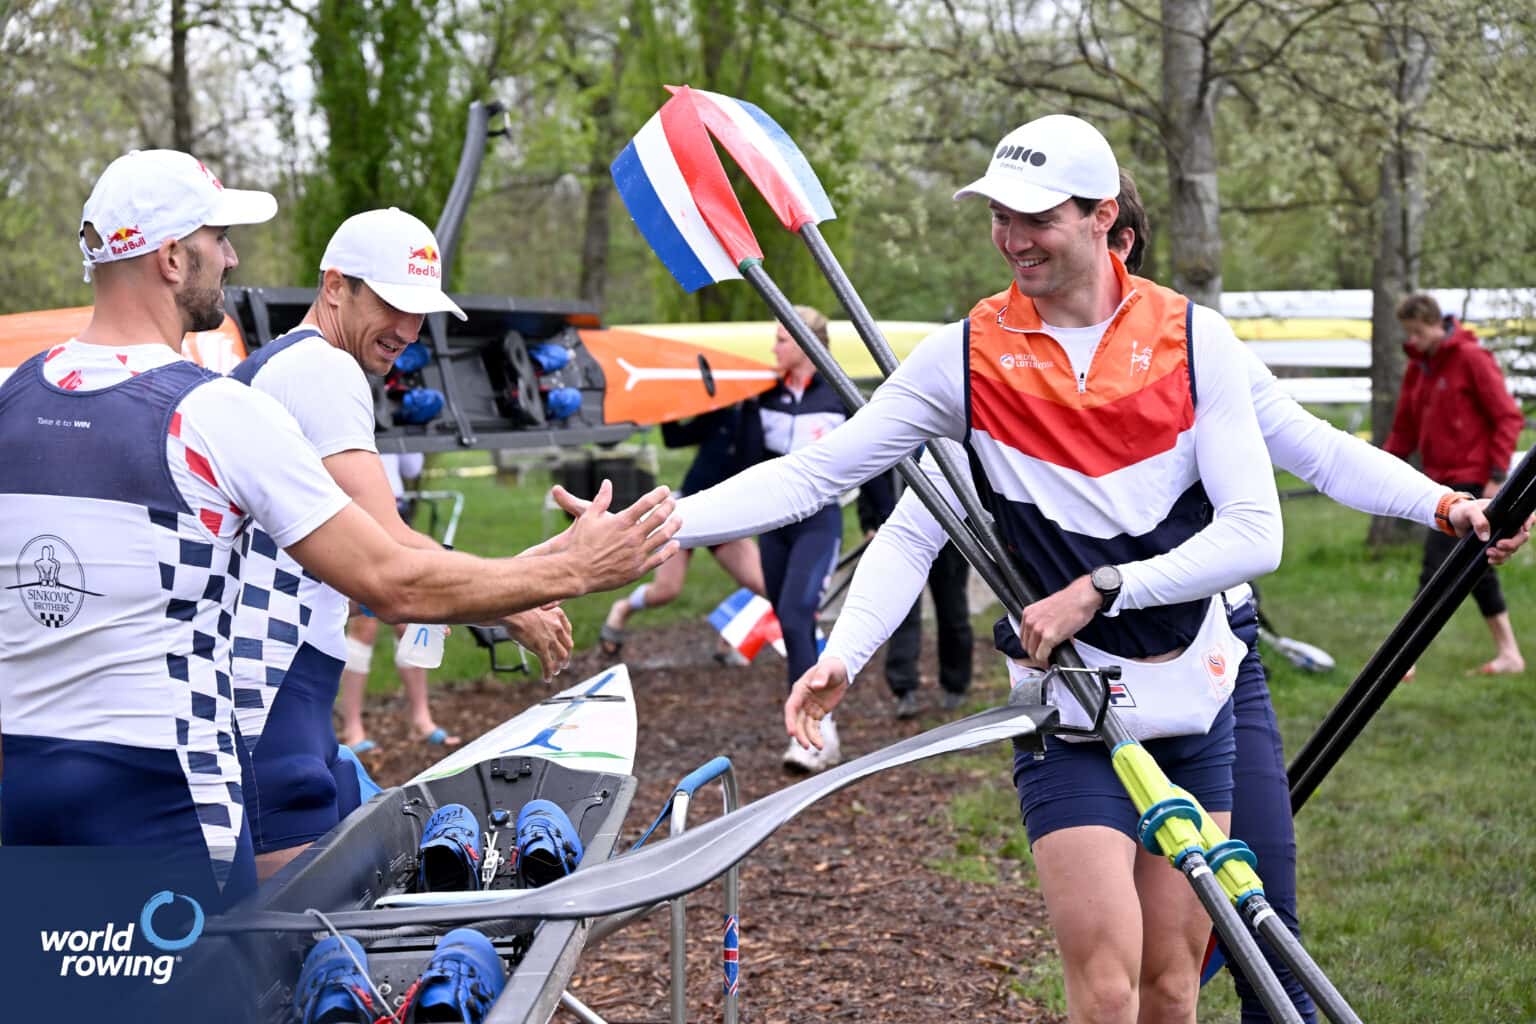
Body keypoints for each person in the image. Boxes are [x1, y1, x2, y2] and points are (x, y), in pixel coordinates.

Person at [561, 113, 1287, 1021]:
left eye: (1036, 218)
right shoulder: (966, 357)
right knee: (1107, 986)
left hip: (1193, 691)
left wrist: (1443, 505)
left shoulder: (1187, 339)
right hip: (1072, 710)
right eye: (998, 217)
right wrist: (660, 525)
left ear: (1105, 218)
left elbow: (1266, 518)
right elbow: (828, 477)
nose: (1012, 239)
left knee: (1171, 985)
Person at [810, 169, 1528, 1024]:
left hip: (1211, 665)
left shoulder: (1187, 353)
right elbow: (912, 530)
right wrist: (842, 655)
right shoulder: (1002, 376)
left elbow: (1318, 450)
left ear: (1121, 245)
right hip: (1083, 690)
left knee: (1258, 916)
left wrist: (1446, 505)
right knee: (1135, 964)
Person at [0, 149, 679, 908]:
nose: (232, 257)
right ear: (168, 257)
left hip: (28, 785)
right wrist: (568, 573)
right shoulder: (224, 406)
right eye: (218, 239)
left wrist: (535, 569)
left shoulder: (13, 396)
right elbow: (391, 574)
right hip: (176, 789)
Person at [228, 206, 576, 880]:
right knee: (293, 953)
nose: (410, 332)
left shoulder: (289, 365)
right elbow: (390, 555)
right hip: (271, 698)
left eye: (421, 312)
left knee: (376, 891)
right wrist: (519, 598)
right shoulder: (322, 372)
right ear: (336, 286)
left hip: (282, 695)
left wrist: (514, 577)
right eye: (392, 304)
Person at [1387, 293, 1526, 676]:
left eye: (1417, 332)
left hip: (1472, 482)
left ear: (1435, 323)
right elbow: (1403, 429)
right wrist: (1377, 468)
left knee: (1436, 565)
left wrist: (1497, 478)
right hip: (1438, 481)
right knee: (1476, 569)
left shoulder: (1471, 359)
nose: (1412, 341)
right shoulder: (1420, 369)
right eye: (1408, 334)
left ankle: (1404, 658)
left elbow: (1508, 418)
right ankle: (1510, 655)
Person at [737, 307, 848, 772]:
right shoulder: (762, 397)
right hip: (773, 524)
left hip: (819, 519)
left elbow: (873, 453)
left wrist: (879, 514)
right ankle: (824, 728)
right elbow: (745, 460)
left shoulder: (840, 396)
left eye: (782, 339)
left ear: (805, 342)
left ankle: (811, 733)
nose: (774, 348)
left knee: (800, 612)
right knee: (791, 620)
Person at [599, 406, 765, 658]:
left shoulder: (775, 421)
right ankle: (622, 609)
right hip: (688, 510)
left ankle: (728, 637)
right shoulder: (724, 412)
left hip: (726, 516)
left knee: (763, 584)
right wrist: (670, 404)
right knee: (666, 591)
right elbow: (674, 438)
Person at [337, 453, 463, 756]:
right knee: (364, 622)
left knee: (410, 615)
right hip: (355, 514)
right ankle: (352, 727)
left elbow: (412, 466)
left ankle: (421, 719)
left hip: (393, 513)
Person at [855, 468, 972, 718]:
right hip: (900, 532)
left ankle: (955, 683)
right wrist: (869, 522)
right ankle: (903, 688)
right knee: (902, 612)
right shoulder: (892, 429)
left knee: (952, 609)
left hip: (950, 533)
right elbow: (872, 472)